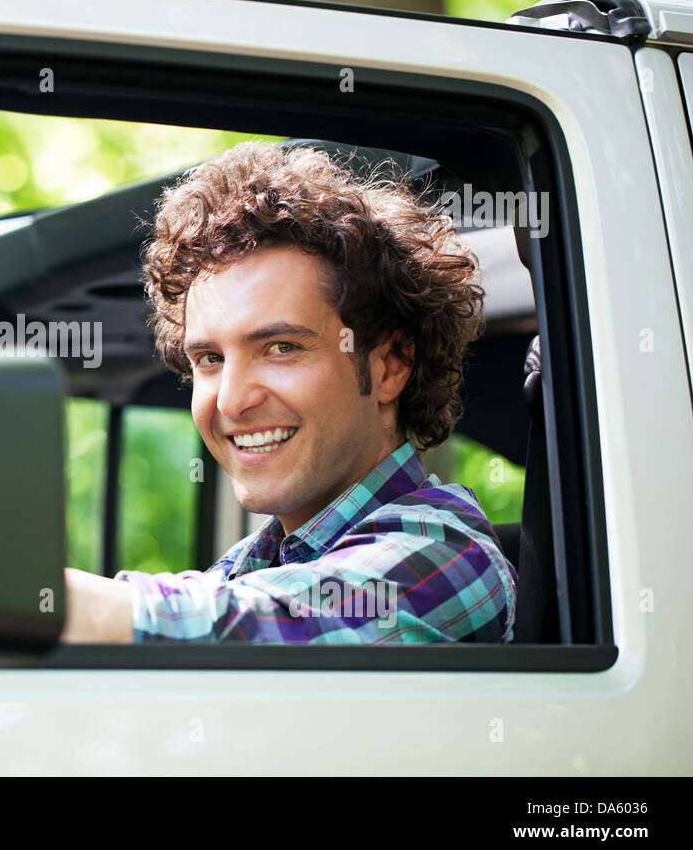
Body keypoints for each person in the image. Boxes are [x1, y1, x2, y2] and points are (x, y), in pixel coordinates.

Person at [61, 140, 516, 644]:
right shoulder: (256, 563)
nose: (232, 401)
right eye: (209, 359)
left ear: (391, 364)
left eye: (280, 348)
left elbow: (262, 628)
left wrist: (26, 600)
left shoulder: (449, 555)